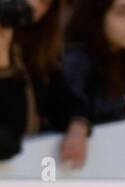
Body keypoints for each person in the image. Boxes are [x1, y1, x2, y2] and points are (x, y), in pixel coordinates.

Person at [0, 0, 94, 165]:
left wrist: (78, 126)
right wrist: (4, 67)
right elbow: (8, 140)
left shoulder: (36, 48)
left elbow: (66, 102)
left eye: (44, 2)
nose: (32, 5)